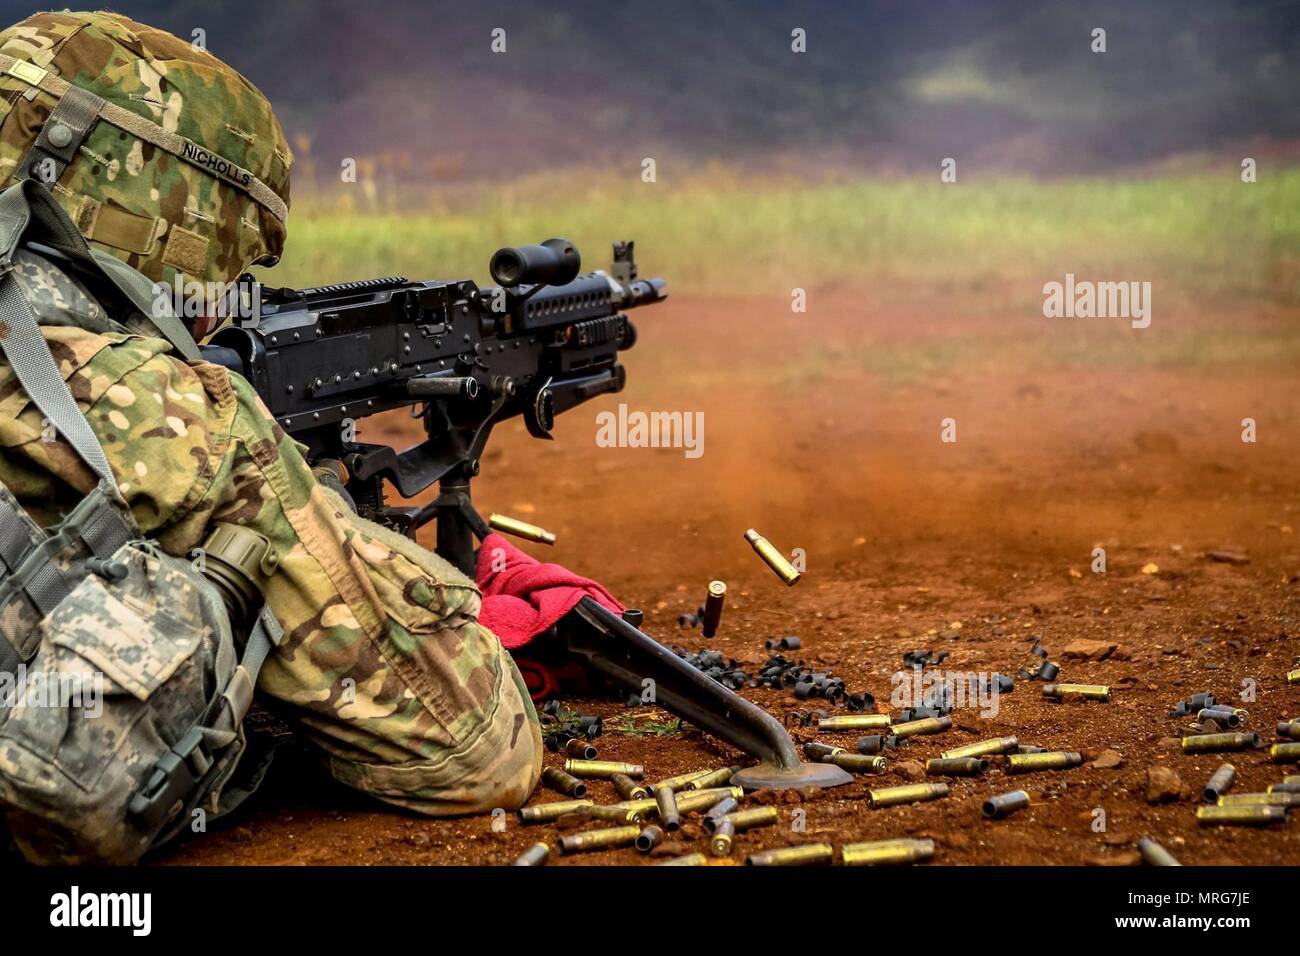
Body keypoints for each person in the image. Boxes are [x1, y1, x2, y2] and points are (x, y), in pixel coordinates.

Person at [0, 10, 542, 856]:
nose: (225, 293)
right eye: (233, 258)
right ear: (156, 204)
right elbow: (475, 751)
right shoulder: (173, 420)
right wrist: (317, 519)